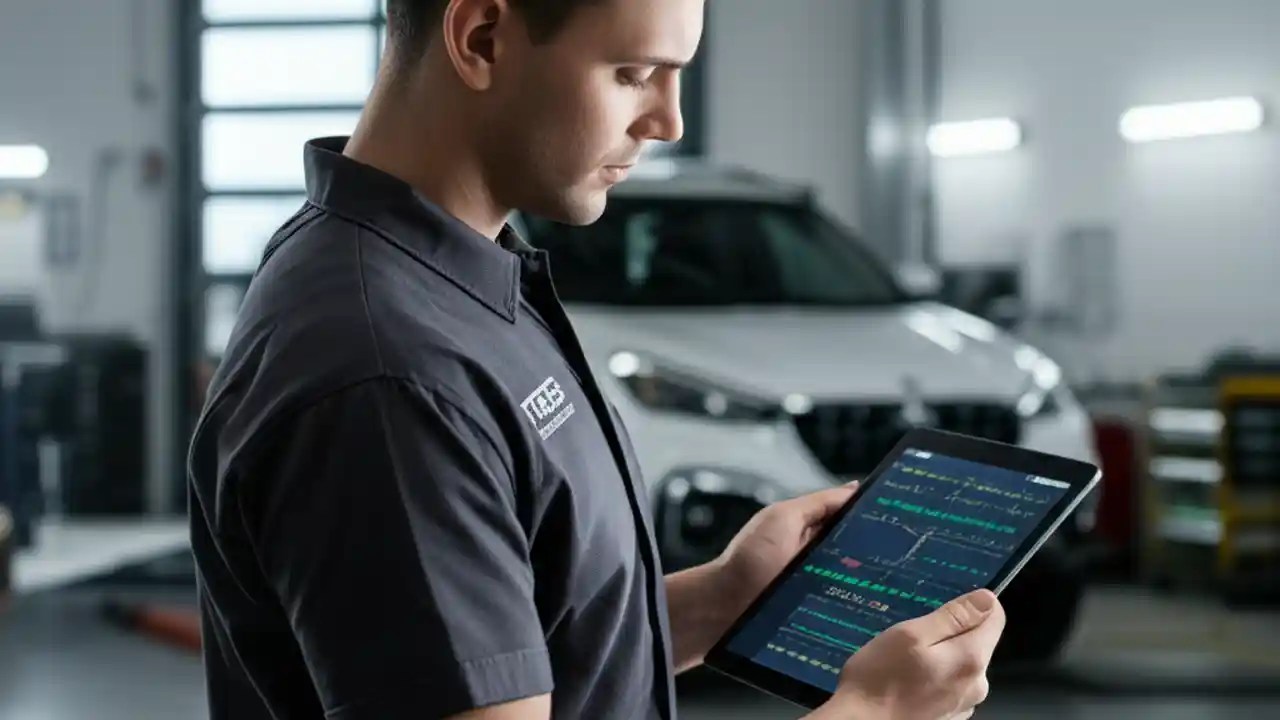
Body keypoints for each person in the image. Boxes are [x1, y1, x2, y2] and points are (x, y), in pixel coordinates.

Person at [186, 0, 1007, 718]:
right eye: (634, 71)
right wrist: (871, 714)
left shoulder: (451, 280)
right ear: (480, 38)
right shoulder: (393, 373)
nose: (668, 122)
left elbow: (536, 640)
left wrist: (722, 597)